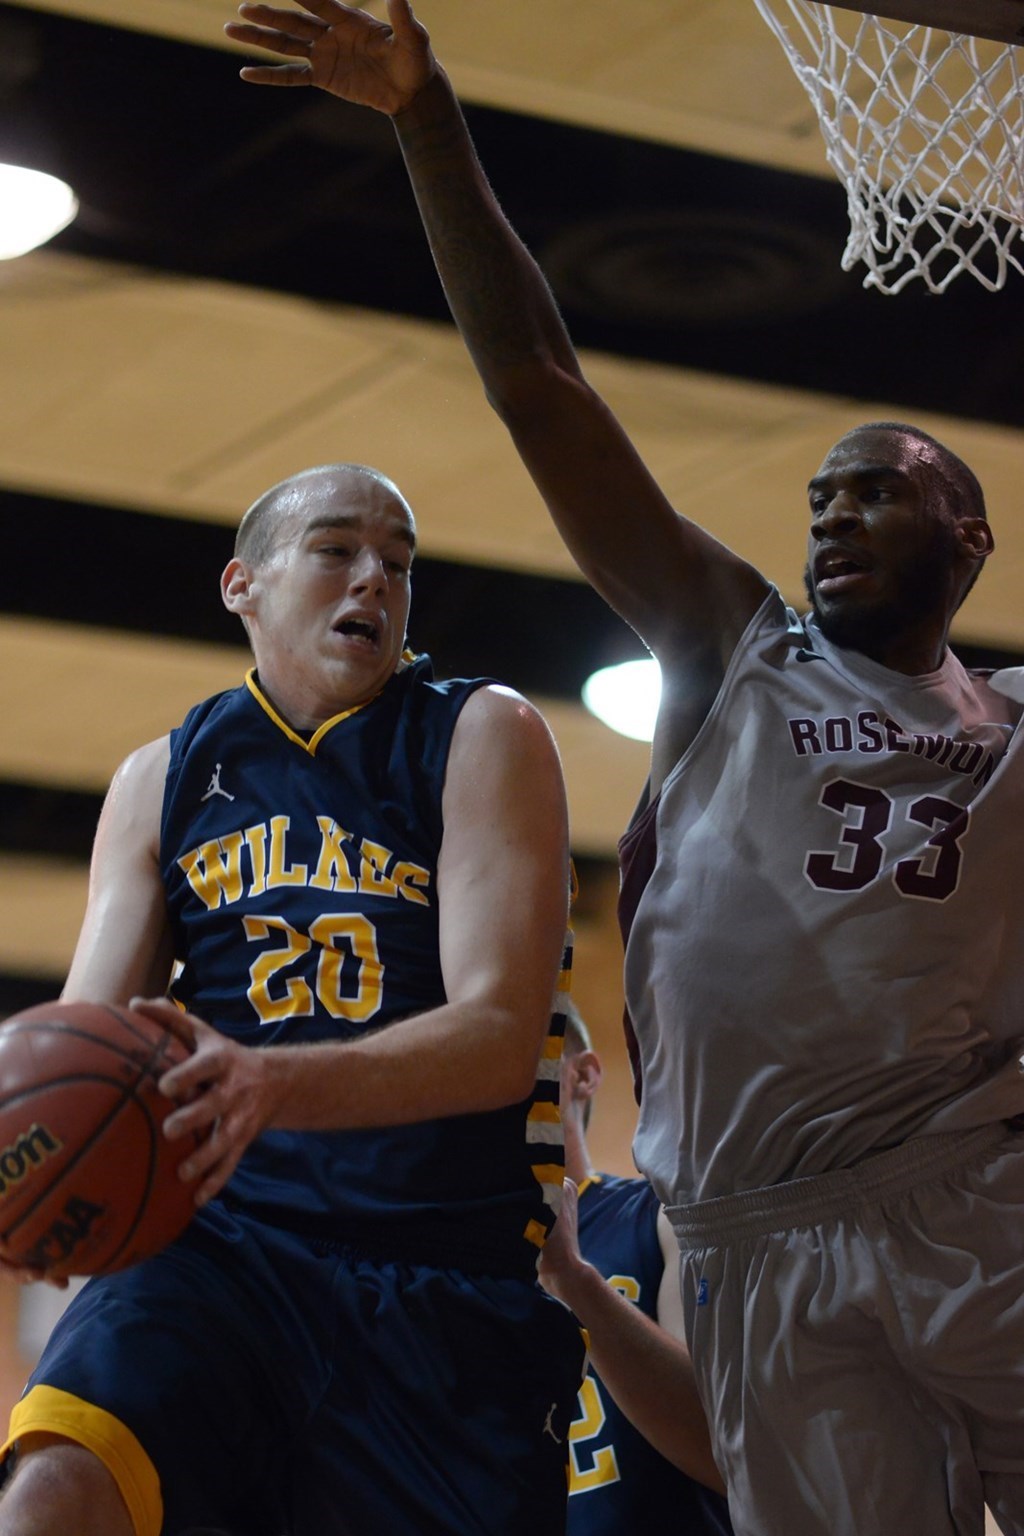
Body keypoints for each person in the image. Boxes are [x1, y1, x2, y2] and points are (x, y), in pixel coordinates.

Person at [223, 7, 1024, 1535]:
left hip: (976, 1197)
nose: (834, 519)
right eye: (820, 496)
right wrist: (424, 116)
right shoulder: (737, 649)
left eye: (882, 494)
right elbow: (540, 382)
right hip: (760, 1239)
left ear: (972, 539)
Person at [0, 461, 586, 1536]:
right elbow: (74, 1043)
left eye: (398, 564)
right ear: (244, 586)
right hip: (223, 1253)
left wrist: (266, 1081)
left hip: (439, 1273)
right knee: (53, 1495)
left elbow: (501, 1037)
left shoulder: (479, 734)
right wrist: (26, 1165)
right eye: (337, 550)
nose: (374, 580)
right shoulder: (161, 777)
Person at [538, 1001, 732, 1535]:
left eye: (525, 1054)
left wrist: (572, 1280)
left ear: (583, 1074)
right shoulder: (453, 1270)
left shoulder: (658, 1214)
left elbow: (731, 1454)